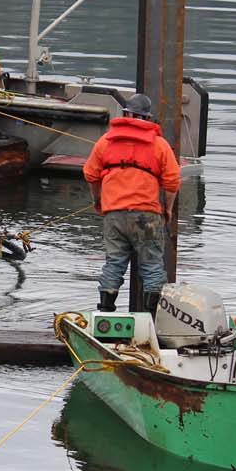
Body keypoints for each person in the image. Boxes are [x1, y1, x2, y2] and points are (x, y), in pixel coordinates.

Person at [82, 93, 181, 313]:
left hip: (114, 214)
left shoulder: (106, 141)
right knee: (152, 266)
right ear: (148, 117)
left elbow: (91, 174)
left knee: (114, 263)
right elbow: (173, 181)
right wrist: (168, 209)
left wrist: (98, 200)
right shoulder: (159, 145)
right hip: (147, 215)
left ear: (125, 114)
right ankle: (151, 318)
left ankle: (105, 314)